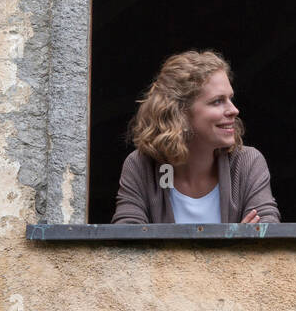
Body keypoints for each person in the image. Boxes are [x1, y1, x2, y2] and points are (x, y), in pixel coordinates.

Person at [112, 50, 281, 224]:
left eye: (230, 98)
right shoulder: (142, 166)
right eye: (217, 101)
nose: (234, 110)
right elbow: (126, 243)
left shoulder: (246, 162)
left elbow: (267, 234)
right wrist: (234, 245)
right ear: (180, 113)